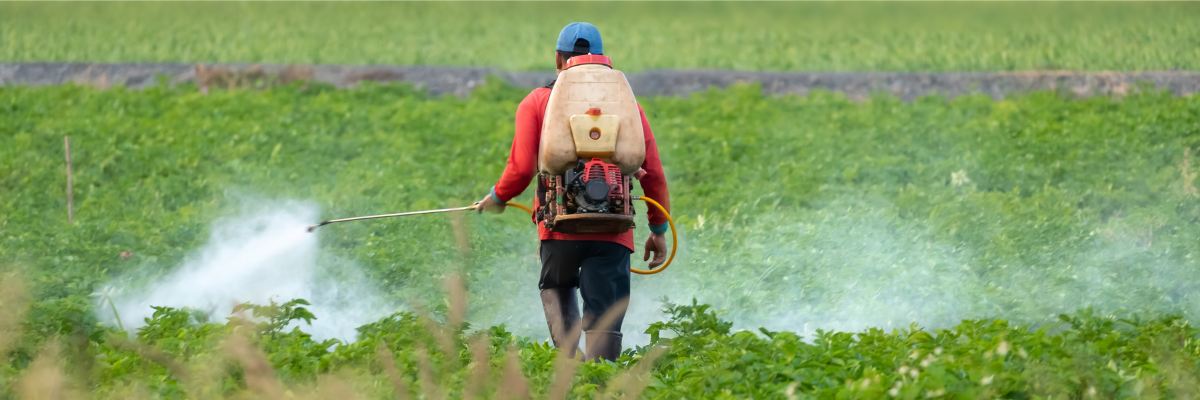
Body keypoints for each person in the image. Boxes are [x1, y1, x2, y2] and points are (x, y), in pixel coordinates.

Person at [475, 22, 671, 362]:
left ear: (558, 59)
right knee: (605, 315)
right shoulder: (627, 108)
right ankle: (601, 378)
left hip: (558, 227)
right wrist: (657, 230)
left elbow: (521, 168)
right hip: (614, 229)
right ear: (602, 61)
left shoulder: (537, 102)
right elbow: (651, 171)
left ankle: (570, 368)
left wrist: (498, 196)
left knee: (557, 288)